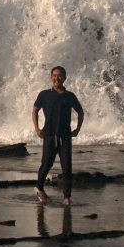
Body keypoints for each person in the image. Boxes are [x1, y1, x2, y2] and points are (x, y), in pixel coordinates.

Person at [31, 65, 84, 206]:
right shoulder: (44, 94)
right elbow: (35, 110)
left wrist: (78, 129)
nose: (57, 78)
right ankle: (39, 188)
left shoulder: (70, 96)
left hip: (65, 136)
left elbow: (80, 112)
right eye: (54, 75)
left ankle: (67, 197)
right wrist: (37, 128)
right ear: (51, 77)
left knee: (66, 167)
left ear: (65, 78)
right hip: (48, 135)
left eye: (60, 75)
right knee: (46, 165)